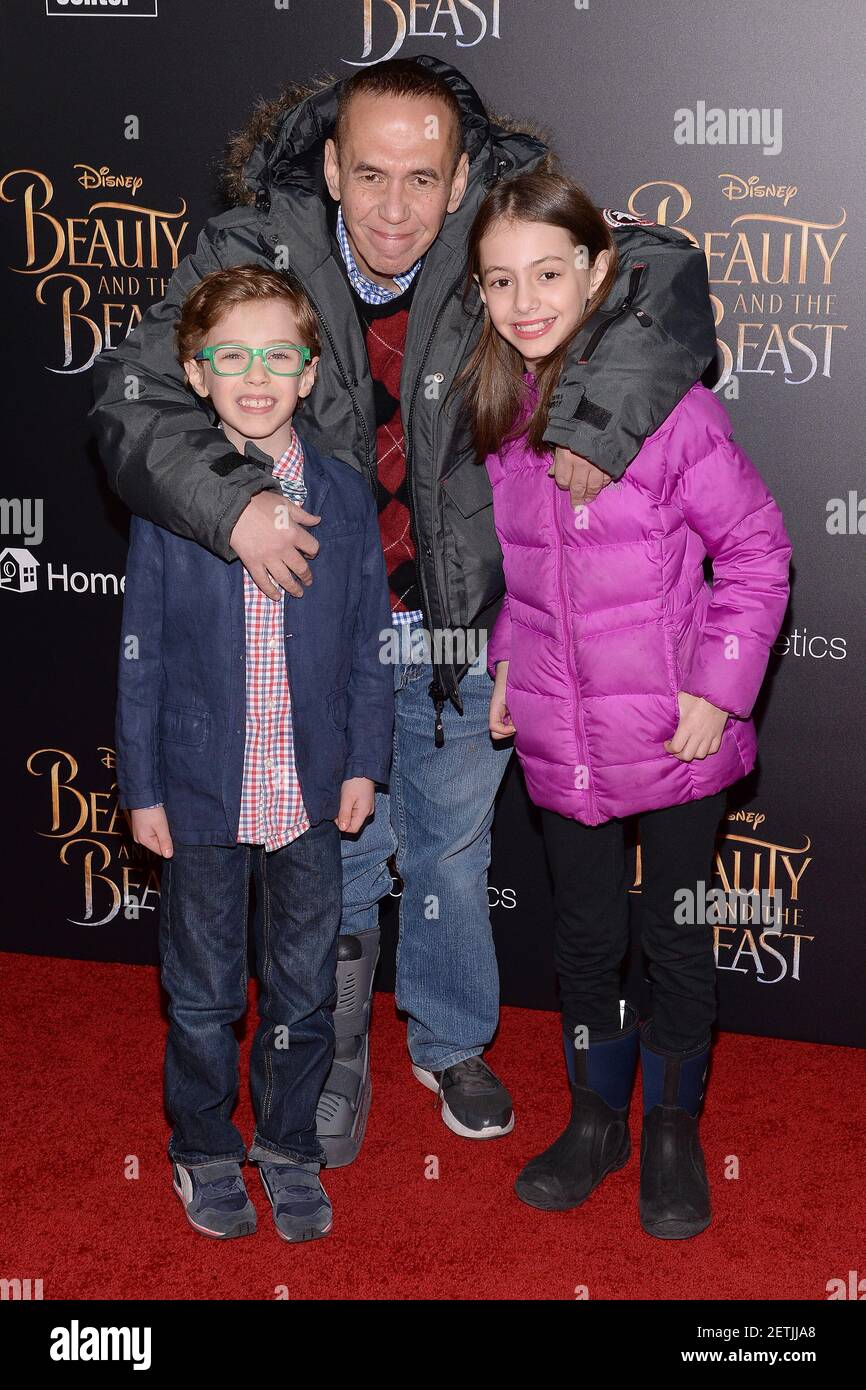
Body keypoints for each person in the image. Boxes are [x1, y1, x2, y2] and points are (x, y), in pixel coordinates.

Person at [91, 55, 718, 1164]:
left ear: (461, 175)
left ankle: (451, 1038)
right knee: (335, 853)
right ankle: (330, 1047)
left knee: (449, 853)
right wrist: (232, 506)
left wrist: (591, 423)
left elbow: (658, 274)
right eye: (369, 174)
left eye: (422, 180)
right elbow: (138, 392)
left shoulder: (501, 239)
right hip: (314, 626)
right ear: (329, 167)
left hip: (470, 619)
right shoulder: (249, 244)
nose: (394, 208)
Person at [462, 171, 792, 1238]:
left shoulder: (670, 409)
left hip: (674, 726)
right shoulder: (500, 415)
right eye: (499, 279)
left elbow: (755, 552)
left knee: (675, 933)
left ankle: (670, 1133)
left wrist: (717, 687)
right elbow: (527, 579)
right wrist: (510, 664)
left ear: (598, 273)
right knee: (584, 939)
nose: (523, 301)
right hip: (563, 729)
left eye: (547, 273)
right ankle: (598, 1117)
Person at [114, 263, 393, 1241]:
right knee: (199, 993)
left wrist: (363, 761)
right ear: (194, 375)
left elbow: (366, 640)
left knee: (303, 987)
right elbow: (140, 651)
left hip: (309, 790)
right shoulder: (173, 499)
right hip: (198, 789)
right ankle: (200, 1147)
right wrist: (140, 782)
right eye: (230, 356)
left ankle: (286, 1146)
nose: (256, 373)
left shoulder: (346, 497)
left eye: (279, 353)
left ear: (310, 371)